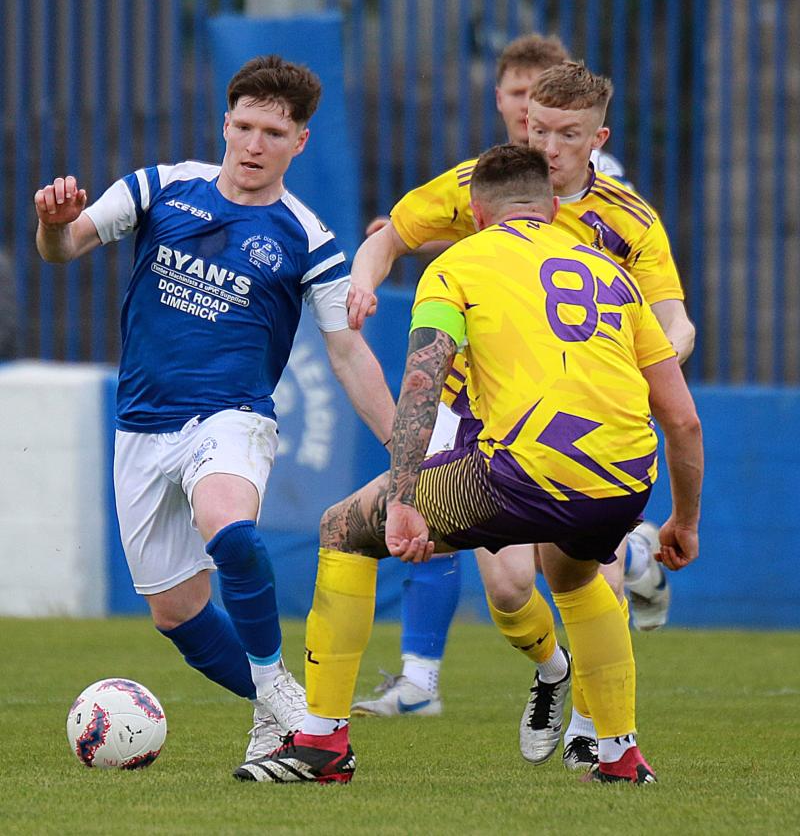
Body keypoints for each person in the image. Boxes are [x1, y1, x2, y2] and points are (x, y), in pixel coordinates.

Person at [235, 144, 703, 785]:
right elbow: (682, 419)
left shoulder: (457, 265)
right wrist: (684, 520)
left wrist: (403, 499)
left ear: (477, 213)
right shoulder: (612, 274)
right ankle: (620, 754)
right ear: (551, 208)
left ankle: (321, 745)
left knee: (343, 528)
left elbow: (422, 386)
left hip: (523, 471)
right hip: (624, 480)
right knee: (573, 576)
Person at [33, 55, 394, 774]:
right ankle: (278, 711)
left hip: (230, 418)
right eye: (246, 126)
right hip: (139, 426)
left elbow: (349, 356)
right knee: (179, 619)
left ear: (301, 142)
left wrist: (405, 451)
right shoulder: (161, 187)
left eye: (274, 132)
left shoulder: (307, 238)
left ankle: (296, 712)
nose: (255, 144)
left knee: (228, 527)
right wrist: (52, 224)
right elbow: (63, 249)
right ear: (226, 124)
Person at [349, 49, 693, 770]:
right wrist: (363, 281)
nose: (548, 147)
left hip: (577, 418)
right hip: (477, 407)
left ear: (598, 140)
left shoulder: (629, 221)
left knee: (581, 574)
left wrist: (631, 363)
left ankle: (599, 734)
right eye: (538, 127)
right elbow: (392, 235)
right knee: (508, 588)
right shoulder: (487, 181)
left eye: (568, 134)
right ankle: (551, 673)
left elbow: (675, 325)